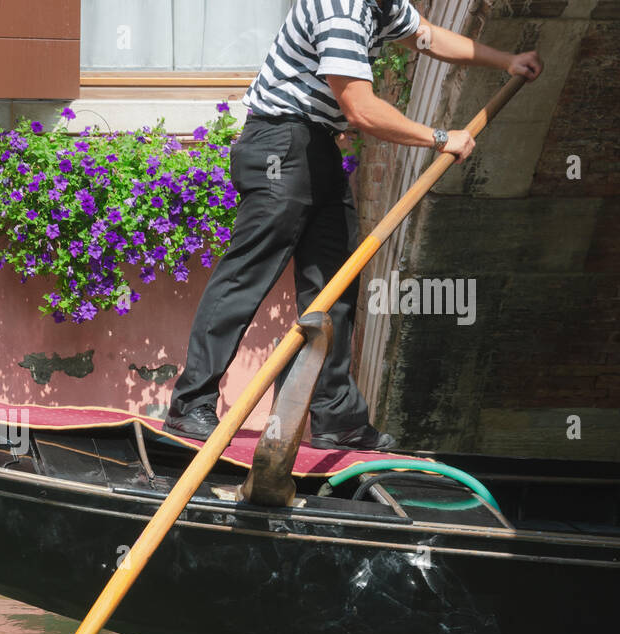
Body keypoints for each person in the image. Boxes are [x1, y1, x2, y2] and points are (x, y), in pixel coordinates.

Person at [163, 0, 543, 450]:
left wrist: (506, 61)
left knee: (334, 288)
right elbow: (361, 110)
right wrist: (441, 138)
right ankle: (190, 407)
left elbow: (428, 36)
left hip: (316, 147)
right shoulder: (340, 9)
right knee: (246, 276)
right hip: (278, 146)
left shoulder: (381, 5)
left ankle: (337, 418)